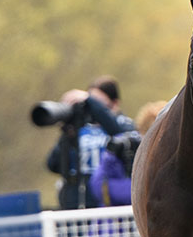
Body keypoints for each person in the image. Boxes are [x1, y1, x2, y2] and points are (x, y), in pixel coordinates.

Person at [44, 76, 136, 209]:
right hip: (78, 204)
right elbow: (53, 164)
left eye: (98, 103)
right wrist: (67, 132)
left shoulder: (124, 125)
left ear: (115, 104)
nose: (93, 108)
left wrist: (91, 102)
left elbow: (121, 135)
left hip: (110, 205)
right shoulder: (81, 129)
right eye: (90, 103)